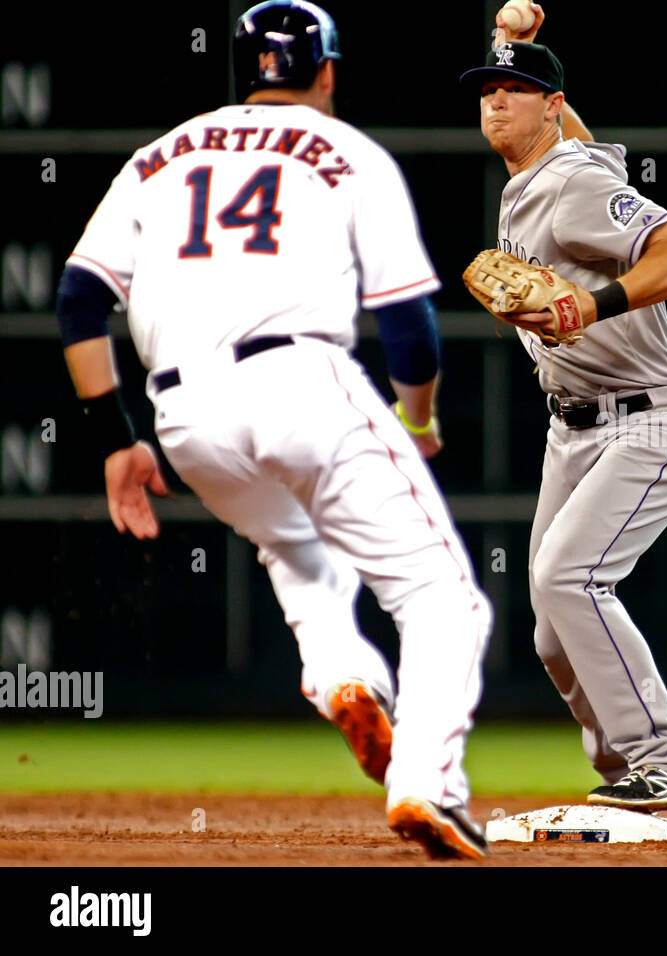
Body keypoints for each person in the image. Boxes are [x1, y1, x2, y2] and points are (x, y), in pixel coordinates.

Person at [55, 0, 491, 860]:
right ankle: (427, 786)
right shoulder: (350, 153)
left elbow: (77, 301)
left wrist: (117, 439)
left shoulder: (159, 156)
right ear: (326, 71)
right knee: (443, 599)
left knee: (297, 550)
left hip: (183, 415)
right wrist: (418, 418)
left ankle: (343, 678)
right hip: (298, 379)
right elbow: (408, 327)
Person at [460, 4, 667, 812]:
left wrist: (591, 307)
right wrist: (518, 43)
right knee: (550, 623)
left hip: (648, 421)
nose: (497, 100)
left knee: (571, 578)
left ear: (553, 109)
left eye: (517, 89)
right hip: (573, 429)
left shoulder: (571, 183)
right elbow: (567, 130)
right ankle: (627, 776)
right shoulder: (536, 181)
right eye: (488, 89)